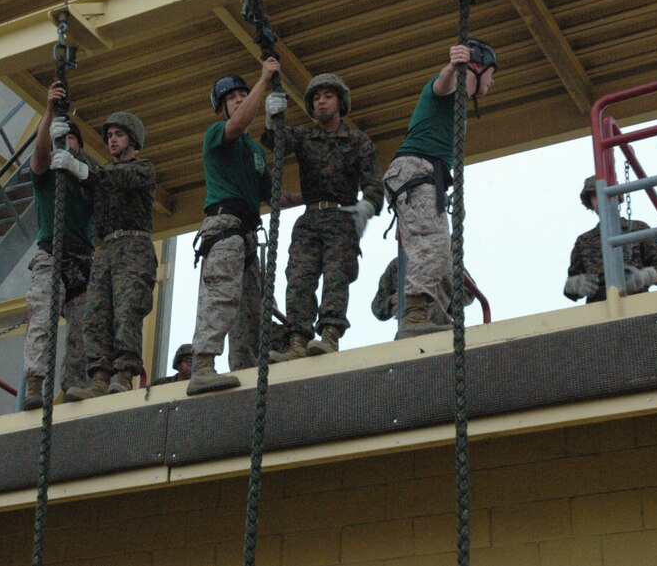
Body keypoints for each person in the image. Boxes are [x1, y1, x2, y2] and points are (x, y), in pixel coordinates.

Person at [262, 73, 382, 361]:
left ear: (340, 102)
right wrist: (271, 116)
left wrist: (365, 208)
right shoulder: (304, 136)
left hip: (342, 217)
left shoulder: (357, 140)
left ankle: (329, 335)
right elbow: (275, 142)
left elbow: (374, 186)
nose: (321, 102)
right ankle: (298, 341)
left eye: (328, 96)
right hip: (310, 218)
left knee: (336, 278)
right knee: (299, 279)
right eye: (316, 98)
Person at [382, 39, 497, 339]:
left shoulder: (459, 104)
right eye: (491, 74)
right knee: (433, 243)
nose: (492, 82)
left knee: (443, 251)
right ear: (478, 68)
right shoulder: (453, 84)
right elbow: (442, 85)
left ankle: (434, 316)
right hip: (416, 171)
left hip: (424, 177)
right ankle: (415, 314)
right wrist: (453, 66)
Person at [188, 57, 282, 396]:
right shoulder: (218, 134)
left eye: (243, 94)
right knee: (221, 296)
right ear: (221, 109)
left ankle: (245, 369)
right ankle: (203, 365)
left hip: (246, 235)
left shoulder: (254, 151)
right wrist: (263, 81)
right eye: (232, 97)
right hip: (225, 226)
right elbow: (238, 125)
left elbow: (272, 195)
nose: (240, 99)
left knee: (251, 310)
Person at [55, 112, 158, 401]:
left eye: (119, 134)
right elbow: (92, 178)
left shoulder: (143, 169)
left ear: (133, 140)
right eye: (109, 135)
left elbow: (112, 176)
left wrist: (79, 163)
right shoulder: (101, 174)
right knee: (95, 315)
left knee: (127, 311)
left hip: (134, 245)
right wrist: (65, 146)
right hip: (107, 250)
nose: (112, 139)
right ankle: (99, 377)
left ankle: (124, 374)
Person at [21, 82, 95, 410]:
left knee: (82, 327)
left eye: (70, 141)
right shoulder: (47, 175)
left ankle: (75, 383)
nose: (64, 147)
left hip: (82, 259)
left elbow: (99, 180)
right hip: (52, 253)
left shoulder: (86, 174)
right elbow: (38, 158)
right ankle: (36, 384)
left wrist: (77, 167)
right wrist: (49, 112)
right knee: (43, 318)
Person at [564, 175, 657, 303]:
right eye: (595, 196)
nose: (601, 199)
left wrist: (644, 276)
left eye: (606, 193)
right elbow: (571, 288)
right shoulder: (583, 241)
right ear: (591, 202)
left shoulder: (639, 229)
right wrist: (574, 285)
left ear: (617, 196)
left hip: (639, 304)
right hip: (598, 311)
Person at [372, 257, 476, 323]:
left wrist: (444, 283)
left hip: (441, 324)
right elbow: (377, 307)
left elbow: (469, 294)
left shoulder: (445, 259)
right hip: (409, 326)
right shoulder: (397, 265)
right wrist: (390, 300)